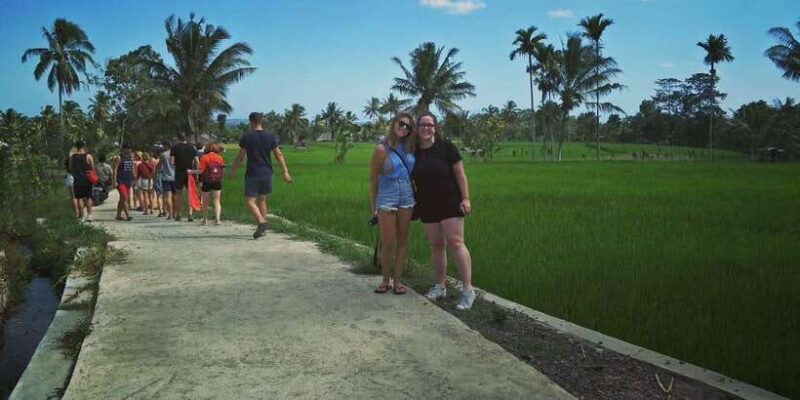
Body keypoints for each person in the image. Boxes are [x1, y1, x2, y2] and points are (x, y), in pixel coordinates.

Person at [412, 112, 475, 310]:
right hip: (426, 203)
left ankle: (467, 290)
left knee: (456, 242)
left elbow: (460, 173)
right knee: (437, 245)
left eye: (430, 125)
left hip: (450, 200)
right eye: (423, 124)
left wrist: (465, 198)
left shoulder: (446, 147)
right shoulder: (413, 151)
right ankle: (440, 285)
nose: (426, 128)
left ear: (435, 128)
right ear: (417, 128)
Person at [369, 113, 417, 295]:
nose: (404, 128)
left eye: (408, 126)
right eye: (401, 123)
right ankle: (385, 280)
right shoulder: (381, 149)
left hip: (406, 194)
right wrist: (373, 205)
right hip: (387, 194)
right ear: (394, 123)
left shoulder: (410, 147)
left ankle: (398, 281)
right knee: (388, 241)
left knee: (403, 241)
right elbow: (373, 177)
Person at [230, 112, 292, 239]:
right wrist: (285, 172)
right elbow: (278, 155)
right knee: (262, 200)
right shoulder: (270, 136)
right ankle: (262, 229)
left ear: (251, 122)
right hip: (267, 173)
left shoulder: (247, 137)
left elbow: (241, 157)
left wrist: (233, 170)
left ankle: (261, 221)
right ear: (261, 121)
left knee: (249, 201)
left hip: (253, 173)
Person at [170, 134, 199, 222]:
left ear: (179, 139)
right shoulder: (192, 148)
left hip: (179, 173)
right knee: (190, 193)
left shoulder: (174, 148)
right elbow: (197, 161)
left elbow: (171, 162)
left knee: (179, 194)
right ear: (186, 139)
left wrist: (178, 164)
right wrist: (196, 171)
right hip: (189, 173)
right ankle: (190, 214)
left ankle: (178, 214)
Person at [196, 143, 224, 225]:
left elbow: (201, 170)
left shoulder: (204, 157)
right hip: (217, 181)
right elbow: (222, 169)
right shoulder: (219, 157)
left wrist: (192, 172)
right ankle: (218, 219)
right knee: (217, 200)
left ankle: (205, 219)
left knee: (205, 201)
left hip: (206, 181)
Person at [69, 140, 95, 222]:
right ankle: (89, 215)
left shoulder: (72, 157)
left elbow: (70, 168)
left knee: (79, 198)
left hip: (77, 180)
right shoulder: (88, 156)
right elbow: (92, 168)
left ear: (76, 147)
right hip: (87, 180)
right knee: (89, 197)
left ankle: (82, 216)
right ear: (84, 146)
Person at [112, 144, 135, 221]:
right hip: (120, 180)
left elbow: (132, 169)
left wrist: (134, 179)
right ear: (124, 149)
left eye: (130, 148)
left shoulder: (130, 158)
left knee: (122, 199)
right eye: (127, 148)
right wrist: (114, 181)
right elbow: (115, 170)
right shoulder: (119, 158)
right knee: (125, 198)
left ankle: (118, 215)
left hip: (128, 180)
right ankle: (128, 215)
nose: (129, 150)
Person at [156, 142, 175, 219]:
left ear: (167, 146)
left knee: (168, 197)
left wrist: (156, 171)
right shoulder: (175, 154)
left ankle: (170, 214)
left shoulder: (163, 155)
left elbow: (159, 166)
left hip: (166, 177)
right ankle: (175, 213)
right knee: (175, 196)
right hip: (175, 177)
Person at [64, 150, 79, 219]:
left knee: (73, 197)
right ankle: (81, 214)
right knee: (79, 197)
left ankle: (76, 214)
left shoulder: (68, 160)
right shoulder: (78, 161)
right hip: (78, 178)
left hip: (70, 177)